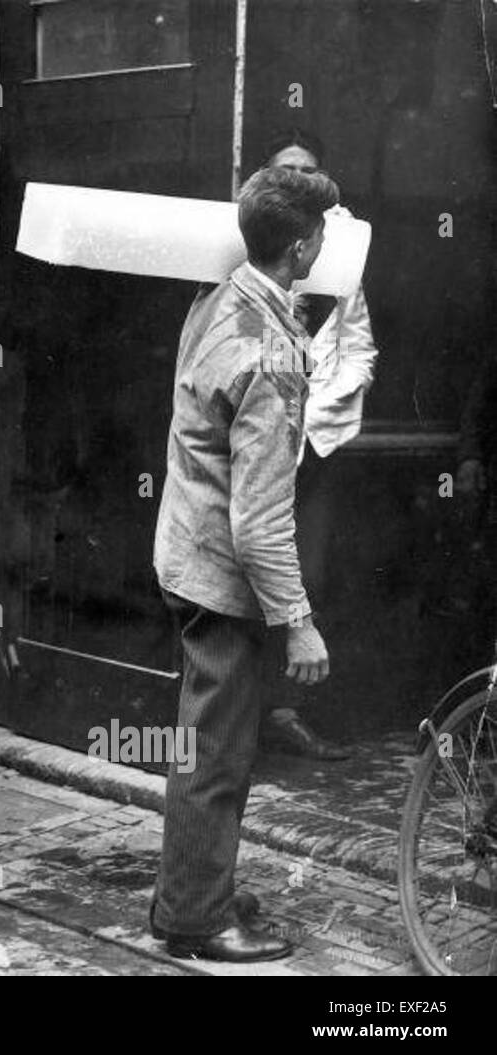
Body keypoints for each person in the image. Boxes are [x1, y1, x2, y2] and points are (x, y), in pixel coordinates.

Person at [150, 166, 338, 961]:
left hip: (186, 555)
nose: (327, 242)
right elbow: (259, 521)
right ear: (301, 248)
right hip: (223, 578)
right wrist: (298, 622)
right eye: (321, 233)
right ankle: (194, 919)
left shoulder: (218, 298)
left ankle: (195, 888)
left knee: (205, 739)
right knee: (217, 752)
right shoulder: (270, 356)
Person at [255, 128, 377, 761]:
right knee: (244, 572)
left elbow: (358, 350)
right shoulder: (246, 254)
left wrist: (319, 407)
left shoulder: (341, 259)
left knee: (311, 572)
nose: (298, 180)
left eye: (309, 171)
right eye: (286, 171)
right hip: (254, 444)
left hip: (318, 445)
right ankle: (236, 721)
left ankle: (286, 711)